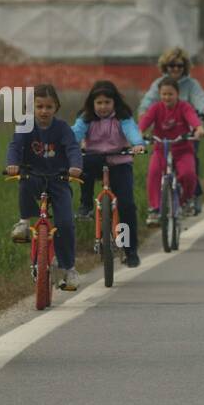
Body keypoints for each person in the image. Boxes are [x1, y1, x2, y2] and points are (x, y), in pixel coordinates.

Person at [6, 84, 83, 290]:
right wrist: (12, 163)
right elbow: (15, 146)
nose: (43, 111)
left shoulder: (62, 128)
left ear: (56, 108)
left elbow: (73, 148)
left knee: (65, 223)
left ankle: (68, 268)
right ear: (31, 108)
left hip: (59, 179)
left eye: (48, 107)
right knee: (24, 182)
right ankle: (23, 221)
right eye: (39, 106)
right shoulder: (25, 125)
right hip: (33, 174)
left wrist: (75, 166)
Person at [73, 81, 146, 267]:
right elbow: (75, 133)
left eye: (107, 102)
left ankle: (129, 250)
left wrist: (137, 143)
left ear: (114, 103)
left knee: (126, 205)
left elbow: (132, 131)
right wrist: (67, 144)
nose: (103, 107)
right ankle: (86, 204)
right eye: (99, 103)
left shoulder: (123, 117)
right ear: (92, 104)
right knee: (84, 166)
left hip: (120, 161)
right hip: (94, 159)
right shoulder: (86, 118)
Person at [137, 47, 204, 214]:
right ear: (166, 67)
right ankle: (155, 209)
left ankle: (190, 196)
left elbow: (199, 101)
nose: (175, 69)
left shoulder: (191, 86)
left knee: (189, 170)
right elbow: (148, 105)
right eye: (171, 65)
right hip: (162, 142)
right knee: (154, 173)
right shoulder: (158, 86)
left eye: (179, 65)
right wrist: (141, 123)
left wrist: (201, 120)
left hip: (185, 135)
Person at [139, 77, 204, 225]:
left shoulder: (184, 107)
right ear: (160, 94)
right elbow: (144, 122)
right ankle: (155, 209)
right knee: (154, 174)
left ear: (177, 94)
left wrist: (198, 129)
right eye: (164, 94)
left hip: (183, 149)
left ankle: (186, 200)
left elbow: (193, 119)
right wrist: (139, 133)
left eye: (170, 94)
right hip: (161, 150)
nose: (167, 97)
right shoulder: (156, 108)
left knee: (189, 174)